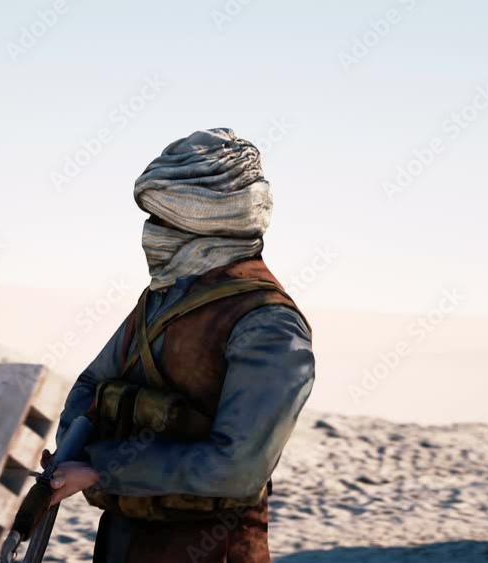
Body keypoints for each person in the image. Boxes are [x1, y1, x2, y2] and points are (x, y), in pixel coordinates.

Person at [50, 128, 315, 563]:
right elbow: (93, 382)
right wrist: (70, 450)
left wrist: (101, 467)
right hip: (124, 540)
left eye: (168, 221)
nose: (153, 233)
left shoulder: (268, 323)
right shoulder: (163, 297)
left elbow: (238, 470)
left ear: (214, 219)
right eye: (153, 218)